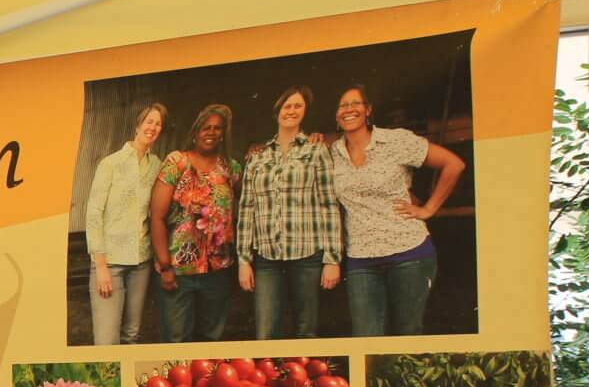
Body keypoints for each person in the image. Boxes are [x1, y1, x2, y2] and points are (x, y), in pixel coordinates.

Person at [330, 84, 466, 336]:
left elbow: (453, 164)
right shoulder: (333, 152)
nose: (348, 109)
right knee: (366, 338)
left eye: (355, 103)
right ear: (337, 115)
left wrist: (428, 209)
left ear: (368, 109)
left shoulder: (396, 140)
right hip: (361, 259)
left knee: (408, 334)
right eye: (342, 105)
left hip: (409, 253)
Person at [236, 85, 343, 339]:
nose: (292, 111)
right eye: (287, 106)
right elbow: (246, 207)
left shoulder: (317, 150)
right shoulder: (257, 157)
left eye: (298, 106)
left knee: (306, 330)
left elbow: (329, 204)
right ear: (277, 112)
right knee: (265, 333)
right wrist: (243, 259)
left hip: (307, 254)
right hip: (266, 257)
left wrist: (332, 258)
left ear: (305, 112)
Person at [149, 104, 243, 342]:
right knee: (177, 339)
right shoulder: (176, 164)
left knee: (211, 338)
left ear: (223, 133)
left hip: (218, 271)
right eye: (205, 127)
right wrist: (165, 267)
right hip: (179, 270)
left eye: (217, 128)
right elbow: (157, 217)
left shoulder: (230, 168)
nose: (211, 132)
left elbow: (247, 203)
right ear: (195, 131)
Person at [85, 102, 166, 344]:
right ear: (138, 124)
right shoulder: (111, 163)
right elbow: (93, 214)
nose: (153, 127)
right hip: (110, 263)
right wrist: (101, 267)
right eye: (149, 121)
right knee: (106, 340)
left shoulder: (156, 165)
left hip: (141, 262)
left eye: (158, 124)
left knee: (131, 335)